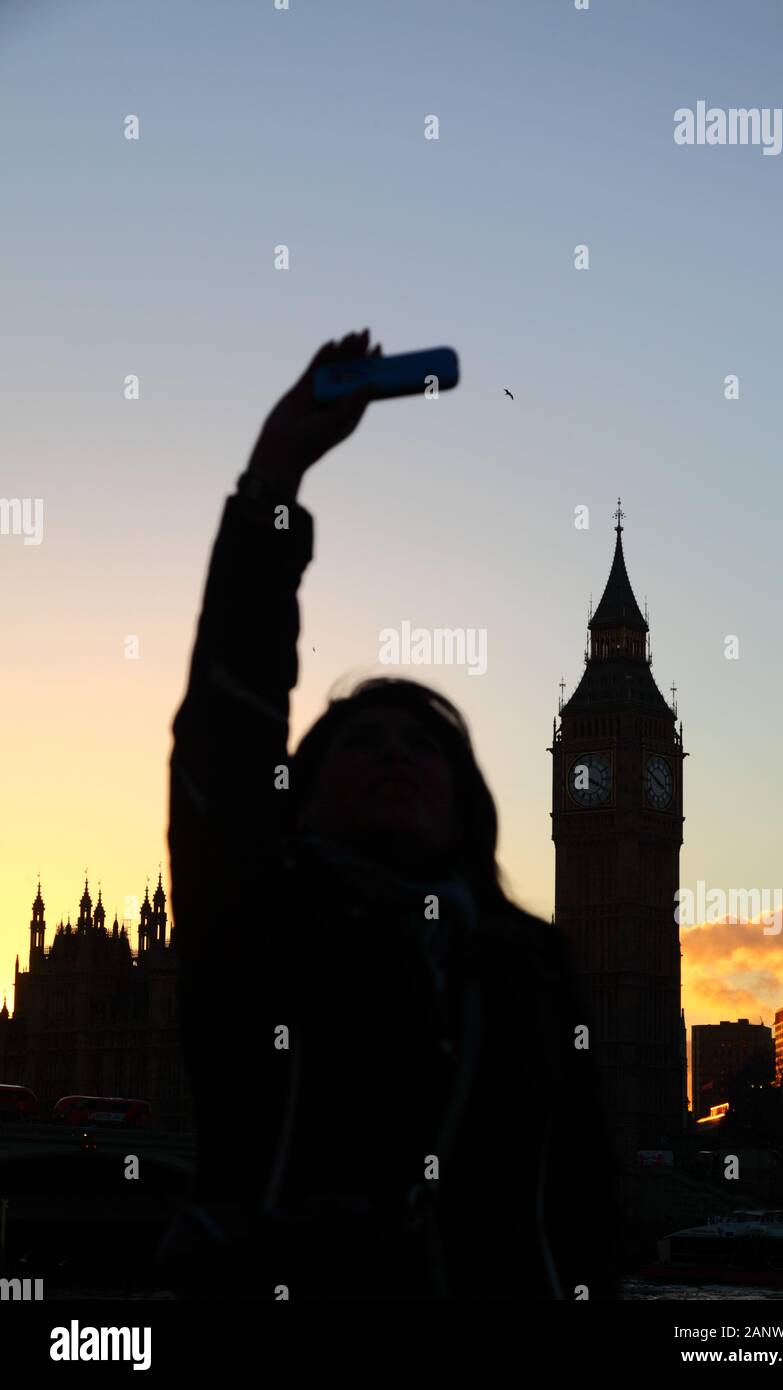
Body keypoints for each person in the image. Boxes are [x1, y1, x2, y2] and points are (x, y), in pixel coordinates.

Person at [162, 331, 619, 1300]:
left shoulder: (529, 968)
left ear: (467, 797)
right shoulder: (259, 916)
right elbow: (227, 725)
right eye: (360, 743)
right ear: (302, 794)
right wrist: (275, 475)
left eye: (421, 745)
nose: (394, 754)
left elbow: (584, 1211)